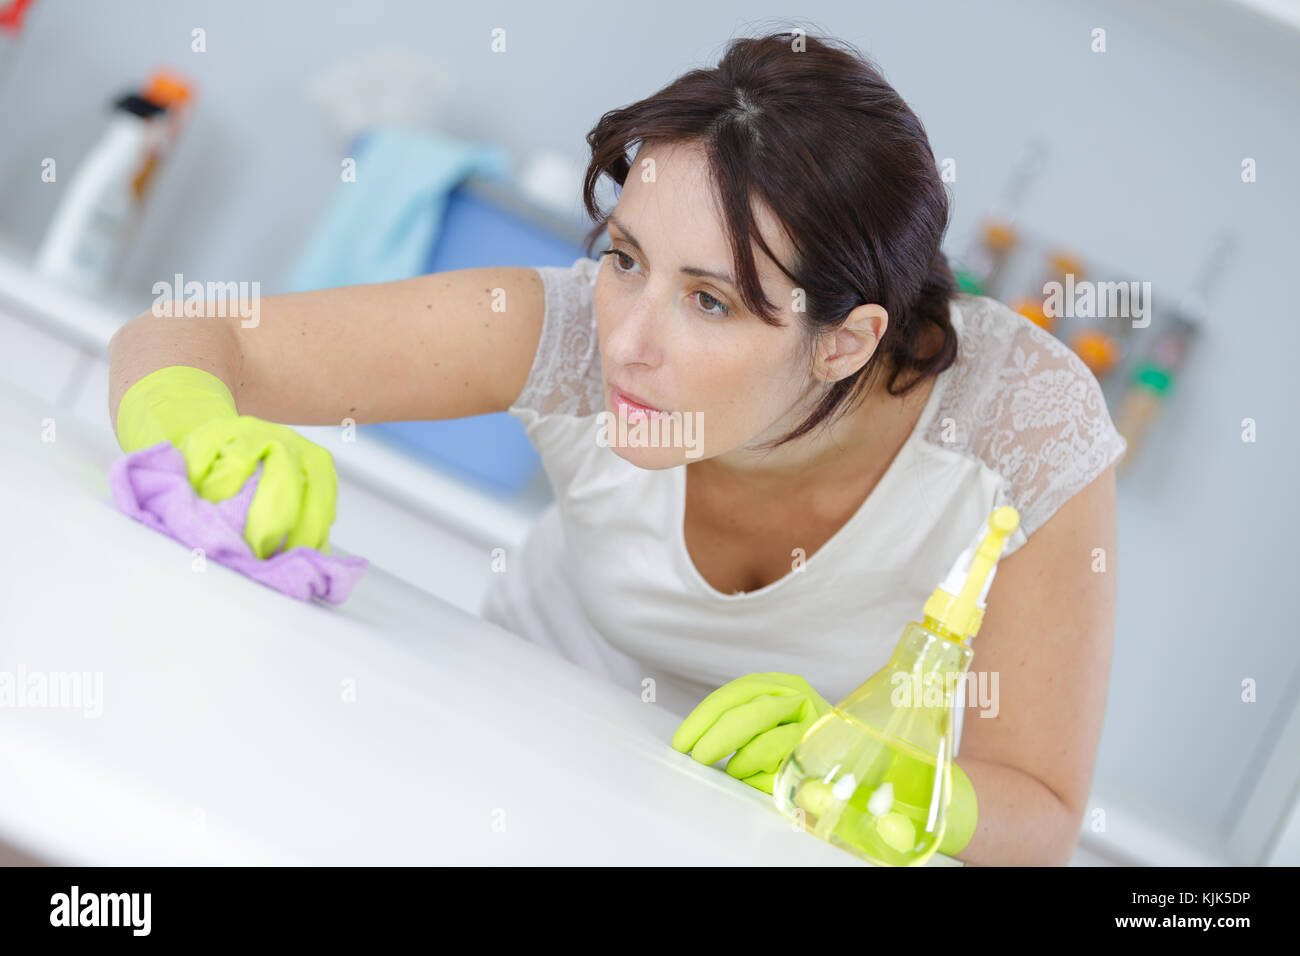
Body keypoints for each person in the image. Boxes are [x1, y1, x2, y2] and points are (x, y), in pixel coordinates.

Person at [109, 31, 1124, 866]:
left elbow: (1038, 808)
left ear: (847, 339)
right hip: (492, 762)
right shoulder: (575, 333)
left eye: (709, 300)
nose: (629, 338)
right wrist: (201, 434)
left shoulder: (1017, 424)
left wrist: (913, 790)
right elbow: (195, 334)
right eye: (625, 257)